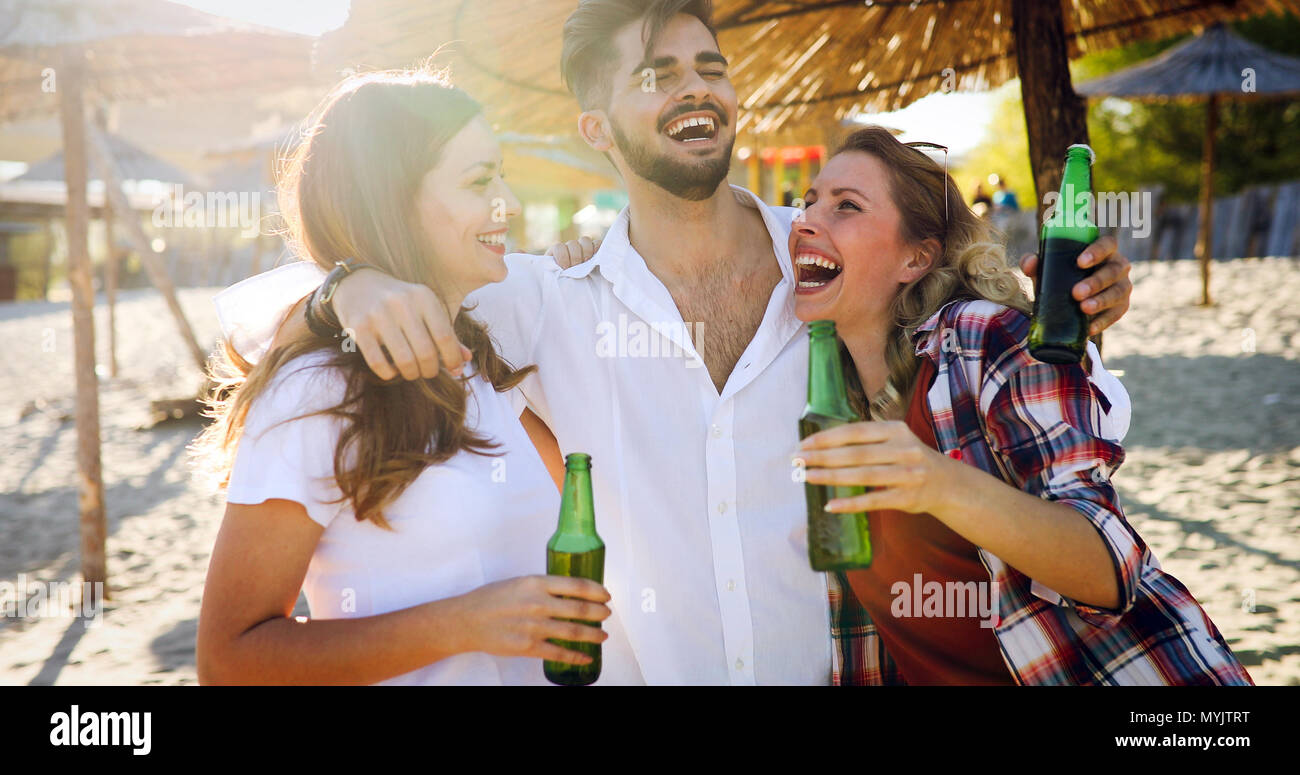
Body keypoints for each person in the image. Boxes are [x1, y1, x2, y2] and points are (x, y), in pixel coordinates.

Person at [210, 0, 1136, 684]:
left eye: (709, 66)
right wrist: (347, 285)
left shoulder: (839, 264)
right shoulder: (540, 301)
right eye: (655, 75)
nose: (695, 86)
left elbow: (1050, 387)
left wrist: (1084, 302)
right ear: (595, 129)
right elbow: (256, 325)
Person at [192, 68, 634, 685]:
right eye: (480, 180)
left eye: (502, 173)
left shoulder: (481, 368)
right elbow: (228, 660)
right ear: (394, 200)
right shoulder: (319, 390)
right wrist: (463, 624)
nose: (507, 200)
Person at [791, 126, 1252, 685]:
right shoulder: (819, 393)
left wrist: (938, 483)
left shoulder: (982, 338)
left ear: (916, 257)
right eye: (807, 201)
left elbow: (1111, 569)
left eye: (847, 206)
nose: (807, 220)